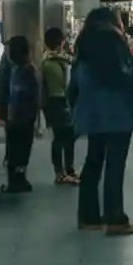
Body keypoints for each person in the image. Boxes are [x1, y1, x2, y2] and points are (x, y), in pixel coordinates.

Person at [69, 7, 133, 236]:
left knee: (93, 163)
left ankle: (88, 216)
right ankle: (115, 218)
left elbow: (73, 88)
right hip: (118, 114)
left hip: (93, 116)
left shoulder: (83, 49)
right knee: (115, 165)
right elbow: (128, 76)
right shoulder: (115, 44)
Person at [42, 27, 79, 185]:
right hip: (60, 101)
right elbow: (65, 85)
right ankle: (65, 171)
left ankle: (62, 172)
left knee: (61, 138)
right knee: (65, 138)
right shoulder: (59, 62)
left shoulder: (47, 61)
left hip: (53, 102)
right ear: (61, 42)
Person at [3, 35, 38, 193]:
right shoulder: (22, 69)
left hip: (19, 118)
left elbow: (18, 95)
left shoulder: (22, 71)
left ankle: (16, 181)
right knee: (20, 151)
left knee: (16, 151)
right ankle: (18, 179)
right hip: (24, 118)